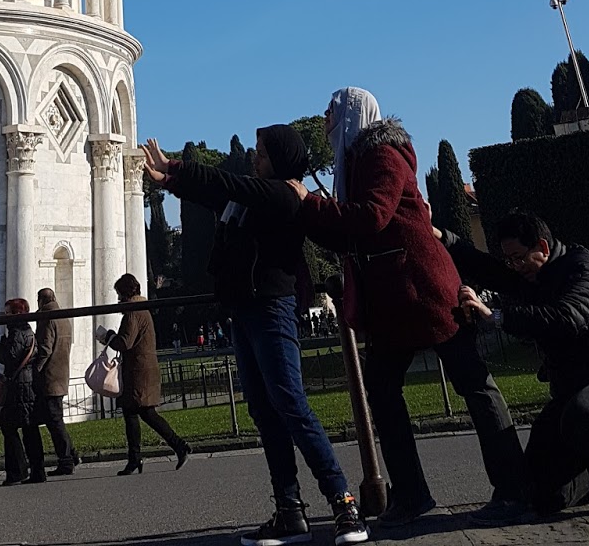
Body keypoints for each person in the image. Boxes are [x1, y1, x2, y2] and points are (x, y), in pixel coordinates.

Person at [291, 88, 527, 526]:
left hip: (423, 289)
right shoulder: (359, 160)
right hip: (400, 296)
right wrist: (310, 212)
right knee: (402, 389)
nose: (324, 120)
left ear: (351, 115)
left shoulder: (381, 156)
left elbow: (371, 218)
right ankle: (418, 494)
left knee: (473, 385)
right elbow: (353, 233)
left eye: (330, 112)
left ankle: (508, 486)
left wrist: (310, 203)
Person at [144, 131, 368, 546]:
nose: (254, 159)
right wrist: (171, 182)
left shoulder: (282, 194)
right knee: (264, 411)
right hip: (243, 310)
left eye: (262, 154)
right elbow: (216, 197)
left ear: (280, 159)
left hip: (271, 306)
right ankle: (289, 511)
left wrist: (178, 166)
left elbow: (227, 185)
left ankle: (344, 503)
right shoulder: (248, 200)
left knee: (291, 404)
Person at [441, 209, 589, 517]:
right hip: (572, 399)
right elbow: (489, 270)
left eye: (519, 257)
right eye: (510, 260)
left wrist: (497, 316)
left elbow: (569, 318)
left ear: (542, 247)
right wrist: (442, 236)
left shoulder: (584, 268)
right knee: (542, 496)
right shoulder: (532, 275)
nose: (515, 267)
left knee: (587, 413)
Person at [96, 272, 190, 475]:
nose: (118, 299)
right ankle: (136, 457)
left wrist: (108, 336)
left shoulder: (133, 312)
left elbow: (125, 342)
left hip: (138, 371)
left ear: (125, 293)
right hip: (142, 368)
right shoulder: (142, 309)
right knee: (135, 413)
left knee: (145, 413)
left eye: (119, 294)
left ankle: (176, 446)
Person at [0, 299, 46, 485]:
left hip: (18, 386)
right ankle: (37, 471)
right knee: (29, 429)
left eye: (8, 313)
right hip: (28, 384)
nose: (5, 317)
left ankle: (17, 470)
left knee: (8, 426)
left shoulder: (17, 332)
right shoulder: (28, 331)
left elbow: (10, 357)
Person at [33, 287, 79, 475]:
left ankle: (67, 460)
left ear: (40, 300)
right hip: (62, 373)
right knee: (55, 419)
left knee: (54, 420)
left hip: (50, 376)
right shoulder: (63, 317)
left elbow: (45, 349)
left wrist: (35, 369)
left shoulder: (47, 318)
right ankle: (71, 455)